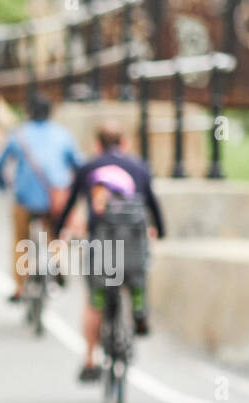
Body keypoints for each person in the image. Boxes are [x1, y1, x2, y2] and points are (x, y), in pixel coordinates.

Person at [52, 121, 165, 382]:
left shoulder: (87, 168)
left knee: (95, 299)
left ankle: (90, 359)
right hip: (133, 244)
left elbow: (70, 205)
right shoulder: (139, 167)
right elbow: (153, 205)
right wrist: (160, 230)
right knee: (138, 274)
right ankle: (139, 310)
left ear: (98, 145)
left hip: (101, 245)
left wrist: (59, 232)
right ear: (124, 144)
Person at [0, 96, 82, 303]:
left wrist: (2, 185)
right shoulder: (63, 135)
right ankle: (57, 266)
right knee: (55, 235)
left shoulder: (18, 134)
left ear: (29, 112)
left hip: (24, 198)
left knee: (21, 240)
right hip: (54, 198)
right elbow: (78, 164)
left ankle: (20, 286)